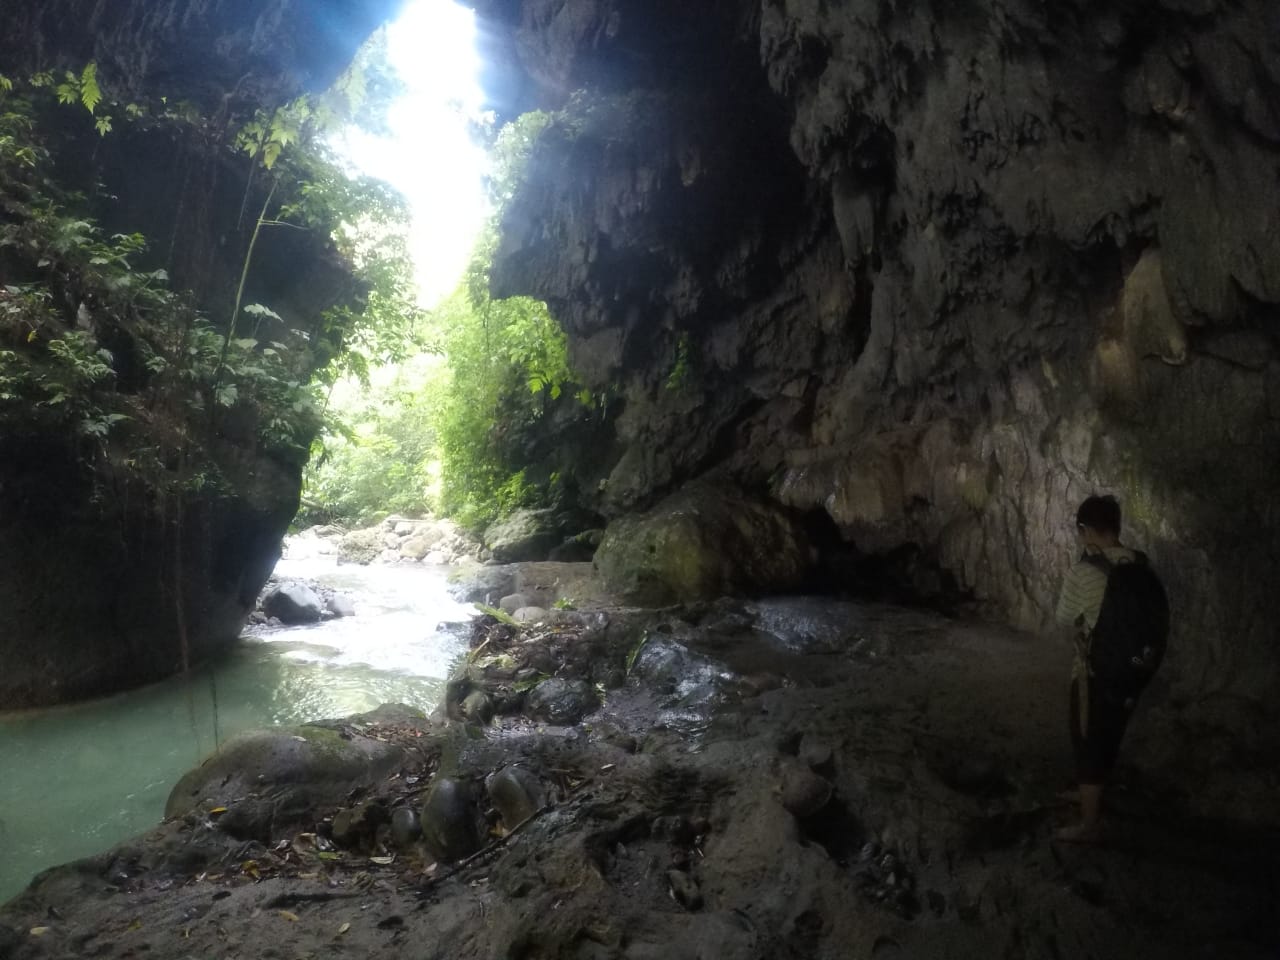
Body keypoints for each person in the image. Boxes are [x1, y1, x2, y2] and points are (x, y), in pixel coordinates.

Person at [1053, 494, 1138, 843]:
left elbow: (1063, 617)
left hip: (1093, 672)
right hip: (1130, 670)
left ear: (1086, 530)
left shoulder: (1085, 570)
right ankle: (1091, 790)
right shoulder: (1136, 563)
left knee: (1086, 736)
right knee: (1110, 732)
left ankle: (1089, 824)